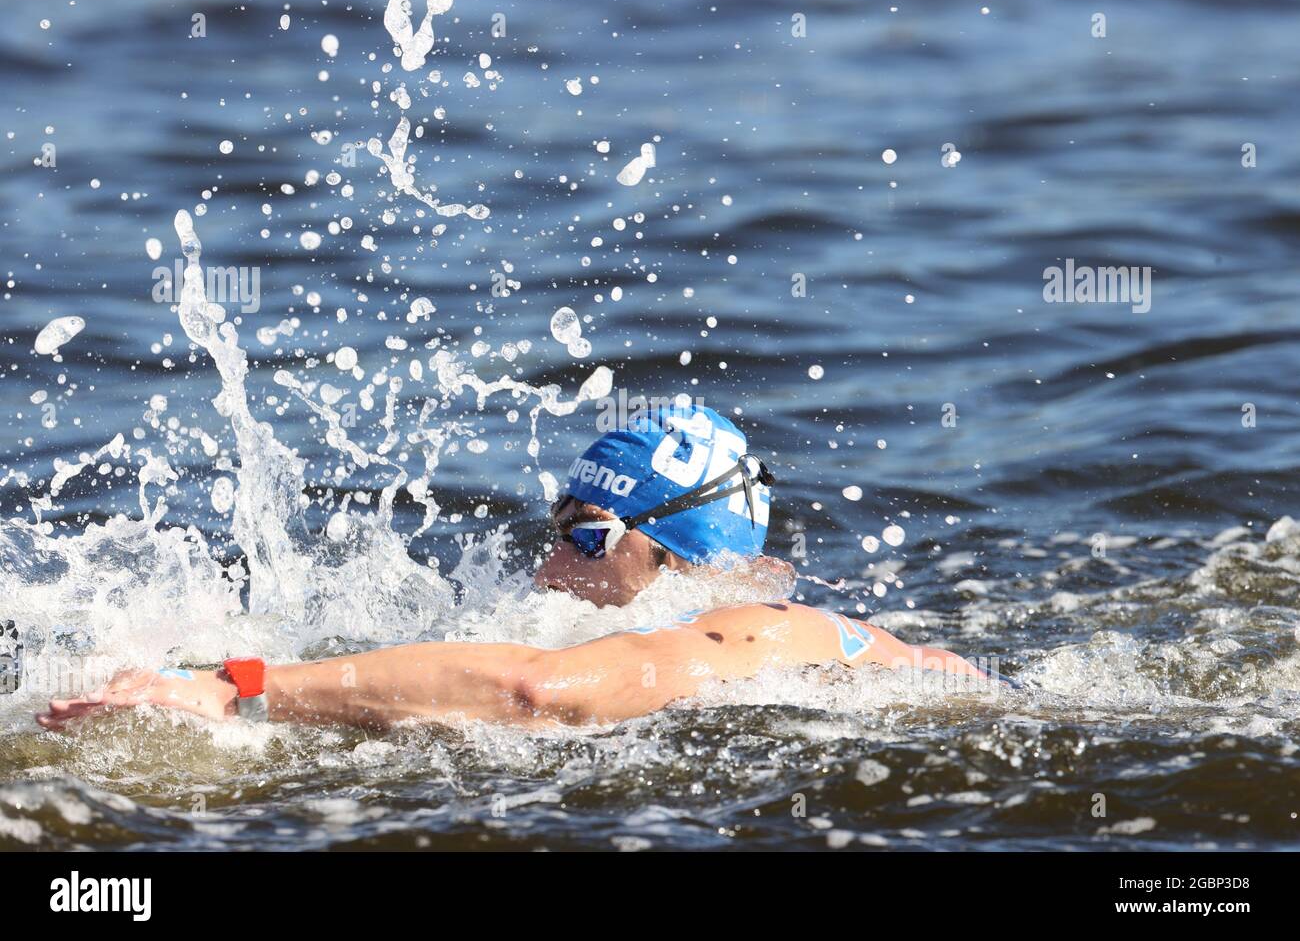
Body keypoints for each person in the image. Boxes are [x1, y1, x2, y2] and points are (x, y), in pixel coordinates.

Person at [36, 404, 992, 733]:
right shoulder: (789, 636)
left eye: (587, 537)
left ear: (676, 554)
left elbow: (534, 690)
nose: (547, 564)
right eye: (554, 527)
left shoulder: (739, 636)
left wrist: (234, 687)